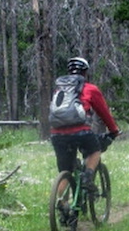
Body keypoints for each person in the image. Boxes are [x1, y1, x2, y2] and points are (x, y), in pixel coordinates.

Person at [50, 57, 120, 195]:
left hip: (57, 134)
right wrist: (114, 130)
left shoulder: (59, 90)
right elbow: (104, 112)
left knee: (65, 171)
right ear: (85, 72)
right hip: (81, 132)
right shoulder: (90, 89)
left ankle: (61, 203)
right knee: (95, 150)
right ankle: (87, 178)